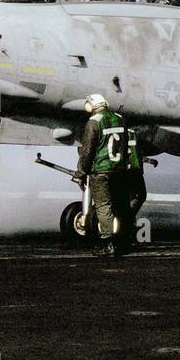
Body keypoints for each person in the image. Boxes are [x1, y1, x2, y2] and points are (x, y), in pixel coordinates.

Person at [77, 93, 128, 256]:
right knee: (118, 205)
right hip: (118, 170)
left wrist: (81, 172)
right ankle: (122, 240)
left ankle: (108, 243)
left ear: (91, 105)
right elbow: (124, 145)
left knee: (103, 206)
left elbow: (87, 151)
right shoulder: (120, 119)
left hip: (100, 171)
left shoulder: (93, 122)